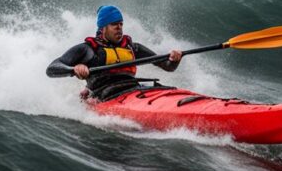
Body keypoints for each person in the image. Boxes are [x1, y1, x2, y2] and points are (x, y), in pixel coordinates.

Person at [46, 5, 183, 100]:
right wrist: (74, 69)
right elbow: (52, 69)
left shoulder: (133, 48)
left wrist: (174, 60)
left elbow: (168, 66)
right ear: (103, 27)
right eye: (114, 25)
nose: (119, 28)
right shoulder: (88, 49)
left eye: (121, 24)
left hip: (133, 90)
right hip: (105, 95)